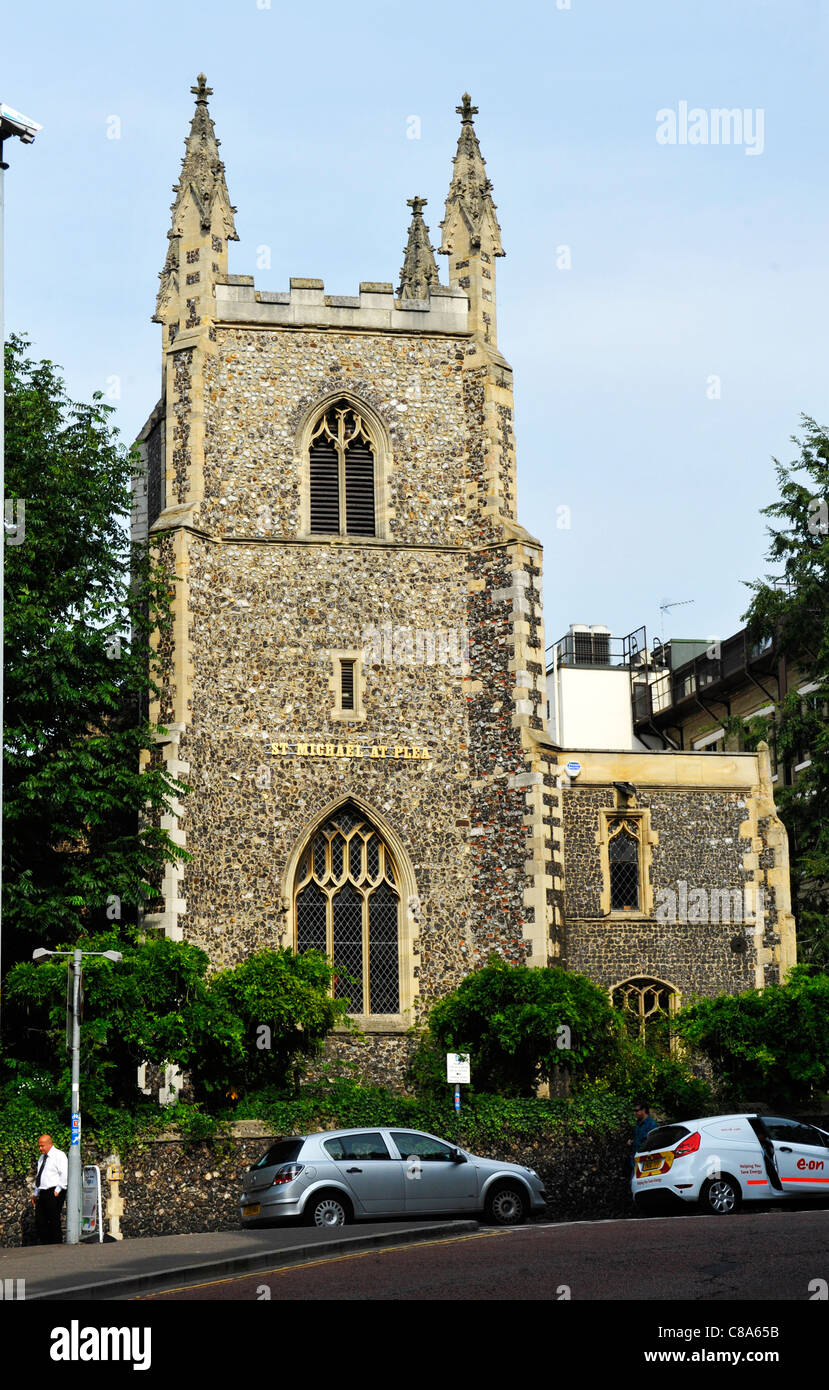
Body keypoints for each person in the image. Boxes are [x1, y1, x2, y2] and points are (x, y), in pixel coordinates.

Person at [32, 1134, 68, 1244]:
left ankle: (56, 1244)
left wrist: (57, 1191)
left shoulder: (59, 1155)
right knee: (40, 1220)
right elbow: (40, 1175)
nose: (40, 1148)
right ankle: (45, 1244)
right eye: (39, 1146)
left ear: (49, 1144)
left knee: (53, 1219)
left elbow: (64, 1174)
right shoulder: (42, 1157)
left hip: (54, 1190)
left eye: (42, 1146)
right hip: (43, 1191)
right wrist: (36, 1193)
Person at [628, 1100, 658, 1171]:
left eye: (636, 1110)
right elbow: (638, 1138)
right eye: (634, 1110)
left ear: (643, 1110)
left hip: (645, 1161)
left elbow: (654, 1143)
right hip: (635, 1160)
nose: (635, 1113)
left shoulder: (652, 1125)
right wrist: (632, 1141)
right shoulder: (638, 1123)